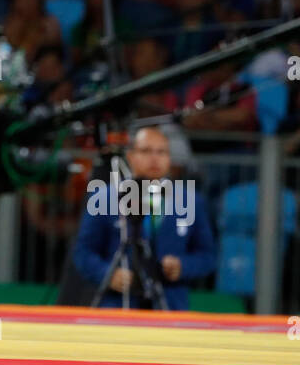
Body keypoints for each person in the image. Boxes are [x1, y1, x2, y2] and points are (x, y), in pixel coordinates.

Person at [71, 127, 215, 310]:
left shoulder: (190, 201)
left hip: (169, 306)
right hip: (118, 306)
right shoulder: (105, 198)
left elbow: (207, 256)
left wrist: (183, 266)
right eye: (146, 151)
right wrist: (108, 274)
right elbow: (83, 252)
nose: (154, 158)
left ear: (169, 158)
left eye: (161, 152)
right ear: (130, 156)